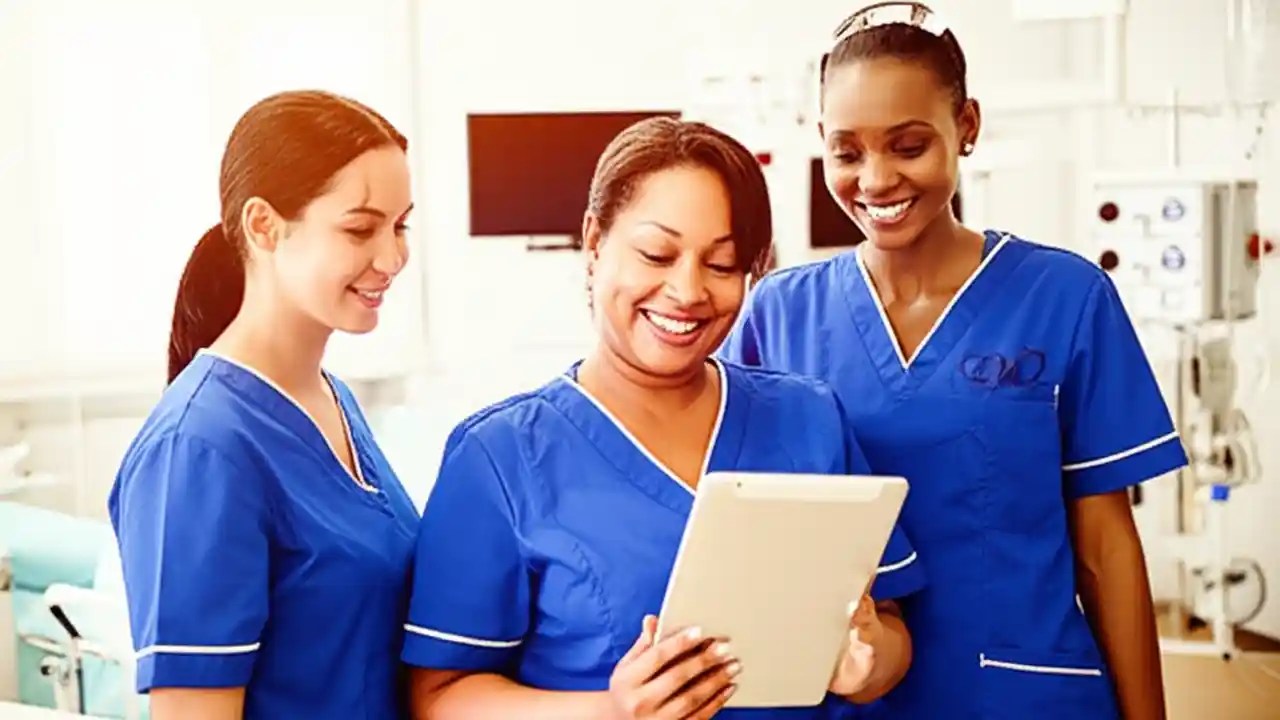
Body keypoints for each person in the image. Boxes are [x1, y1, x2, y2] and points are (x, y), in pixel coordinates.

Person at [720, 3, 1187, 720]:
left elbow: (1106, 548)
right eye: (847, 152)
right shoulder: (778, 316)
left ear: (965, 126)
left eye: (908, 145)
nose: (875, 180)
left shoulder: (1065, 297)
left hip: (1026, 695)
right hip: (845, 700)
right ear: (821, 142)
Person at [400, 117, 926, 719]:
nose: (687, 291)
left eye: (723, 264)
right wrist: (612, 712)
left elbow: (889, 625)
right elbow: (438, 698)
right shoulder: (500, 457)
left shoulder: (808, 420)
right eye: (657, 253)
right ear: (594, 243)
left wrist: (865, 664)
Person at [108, 89, 420, 720]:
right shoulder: (198, 449)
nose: (393, 257)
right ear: (263, 225)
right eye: (361, 228)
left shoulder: (332, 401)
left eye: (401, 224)